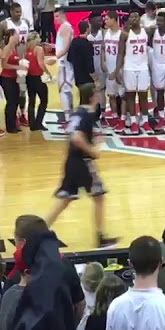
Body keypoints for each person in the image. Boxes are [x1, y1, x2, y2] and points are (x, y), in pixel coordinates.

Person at [46, 83, 116, 248]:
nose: (99, 96)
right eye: (97, 93)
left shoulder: (77, 112)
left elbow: (69, 135)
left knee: (65, 200)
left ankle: (37, 231)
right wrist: (92, 150)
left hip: (72, 161)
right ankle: (101, 238)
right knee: (99, 197)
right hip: (82, 163)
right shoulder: (86, 115)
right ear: (92, 96)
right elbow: (76, 138)